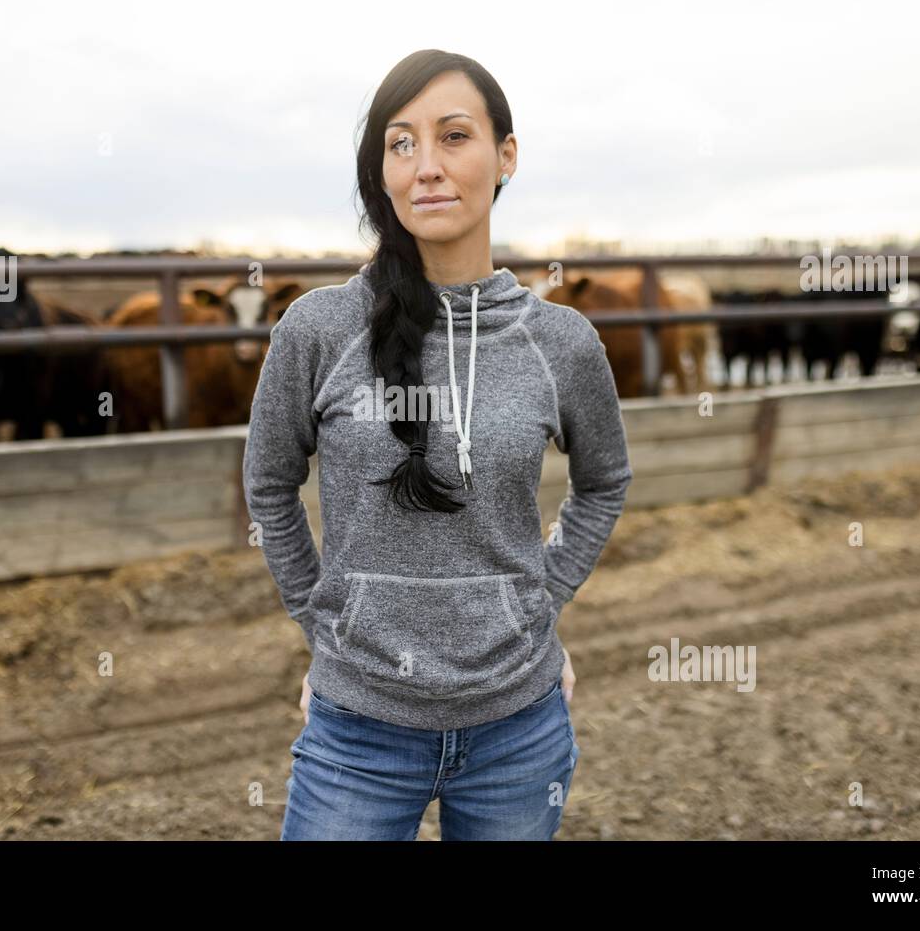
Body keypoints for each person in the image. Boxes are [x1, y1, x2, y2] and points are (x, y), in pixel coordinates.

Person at [242, 49, 633, 840]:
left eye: (454, 137)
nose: (427, 167)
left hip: (517, 732)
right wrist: (322, 622)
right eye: (401, 143)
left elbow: (605, 481)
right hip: (356, 733)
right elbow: (268, 484)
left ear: (506, 156)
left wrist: (541, 603)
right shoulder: (318, 329)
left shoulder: (560, 342)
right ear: (382, 172)